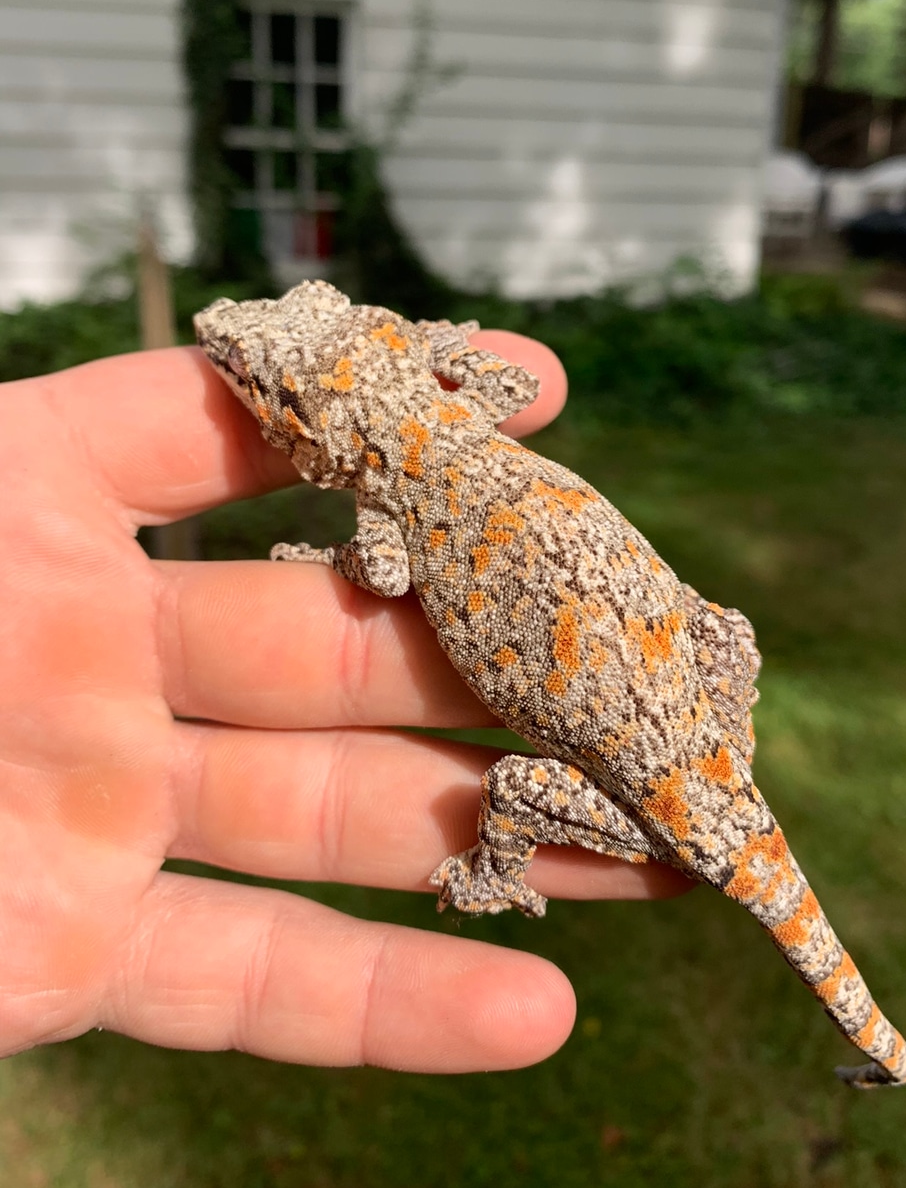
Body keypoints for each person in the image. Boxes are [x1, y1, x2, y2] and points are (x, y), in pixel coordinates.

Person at [0, 330, 686, 1072]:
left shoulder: (391, 495)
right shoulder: (455, 416)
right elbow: (513, 385)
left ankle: (497, 872)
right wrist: (443, 350)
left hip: (651, 778)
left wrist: (337, 556)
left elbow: (385, 575)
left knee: (517, 788)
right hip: (668, 714)